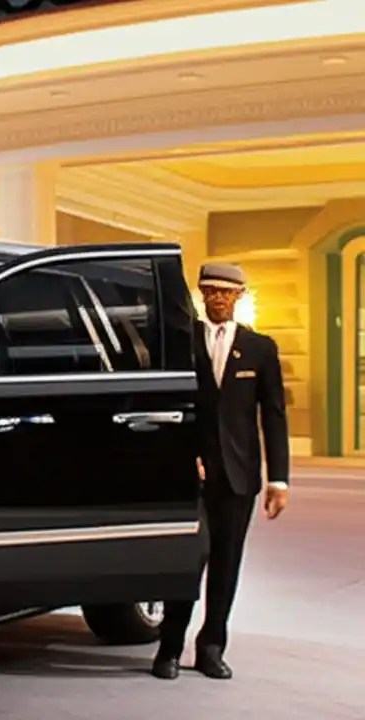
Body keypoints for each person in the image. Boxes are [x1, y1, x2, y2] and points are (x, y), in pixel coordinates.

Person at [151, 262, 290, 681]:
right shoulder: (180, 342)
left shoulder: (261, 348)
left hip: (239, 475)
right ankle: (169, 649)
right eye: (210, 291)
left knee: (227, 564)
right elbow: (168, 407)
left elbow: (275, 417)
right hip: (190, 474)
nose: (217, 298)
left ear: (240, 296)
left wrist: (278, 480)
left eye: (226, 292)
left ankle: (211, 649)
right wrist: (180, 453)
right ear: (200, 293)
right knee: (185, 563)